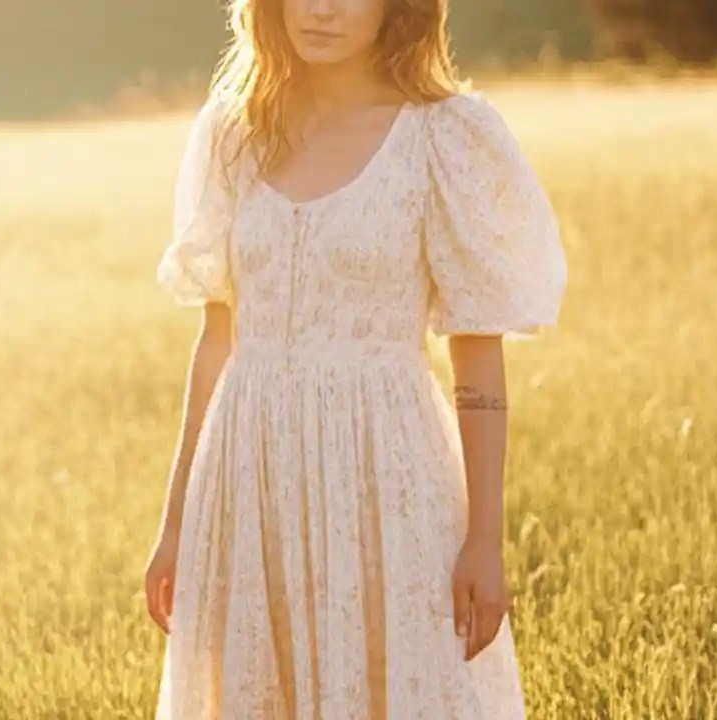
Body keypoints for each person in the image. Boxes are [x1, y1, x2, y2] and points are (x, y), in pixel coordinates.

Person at [144, 0, 567, 716]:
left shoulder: (443, 137)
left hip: (387, 472)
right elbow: (217, 339)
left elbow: (477, 358)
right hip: (248, 475)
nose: (321, 8)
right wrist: (178, 521)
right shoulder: (234, 134)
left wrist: (485, 539)